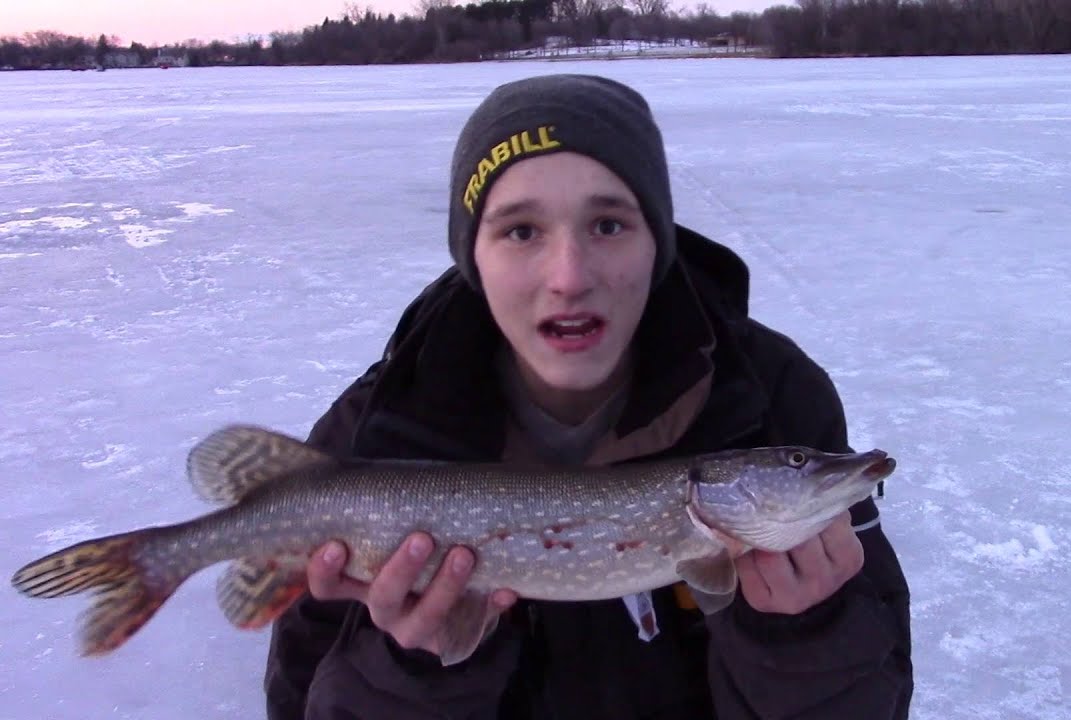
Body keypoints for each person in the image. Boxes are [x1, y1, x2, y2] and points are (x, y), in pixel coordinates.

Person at [263, 73, 913, 720]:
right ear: (472, 257)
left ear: (656, 242)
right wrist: (412, 670)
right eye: (520, 231)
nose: (569, 276)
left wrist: (804, 639)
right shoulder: (374, 430)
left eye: (608, 224)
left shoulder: (772, 399)